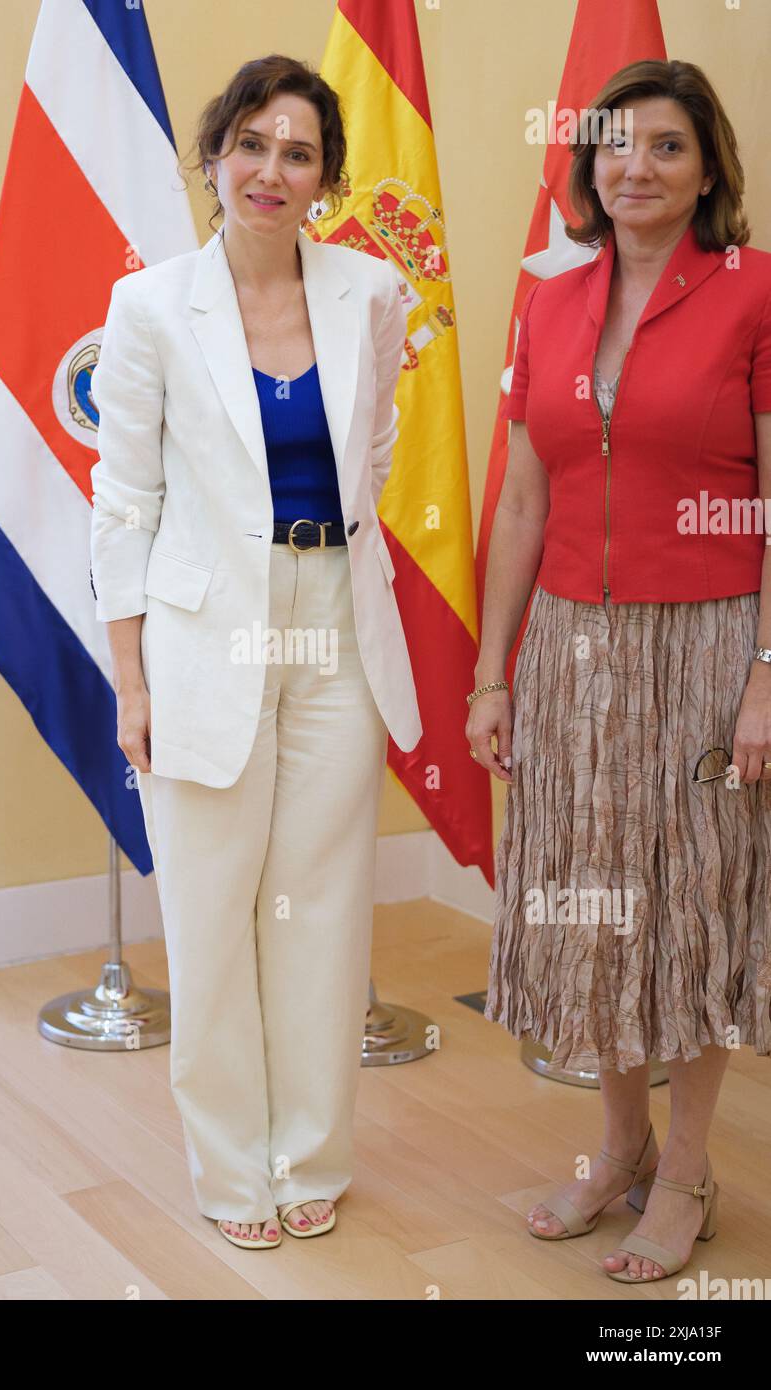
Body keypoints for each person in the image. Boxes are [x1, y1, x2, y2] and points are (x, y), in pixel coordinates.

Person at [89, 55, 421, 1250]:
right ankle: (232, 1173)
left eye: (297, 151)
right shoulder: (148, 305)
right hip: (197, 637)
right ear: (213, 157)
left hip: (331, 615)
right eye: (251, 145)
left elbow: (370, 457)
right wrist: (128, 678)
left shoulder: (369, 294)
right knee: (211, 913)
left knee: (323, 908)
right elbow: (121, 502)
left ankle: (308, 1157)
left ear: (323, 176)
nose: (271, 171)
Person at [468, 60, 771, 1284]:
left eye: (664, 147)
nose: (632, 167)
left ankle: (689, 1173)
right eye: (613, 146)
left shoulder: (753, 294)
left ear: (708, 172)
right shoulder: (547, 299)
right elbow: (528, 495)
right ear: (584, 165)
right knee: (596, 911)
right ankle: (617, 1146)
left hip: (705, 640)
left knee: (688, 909)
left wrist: (765, 671)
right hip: (566, 651)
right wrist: (492, 670)